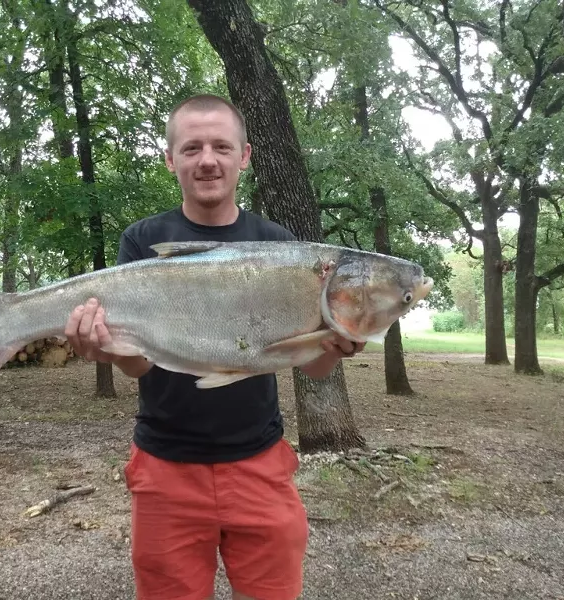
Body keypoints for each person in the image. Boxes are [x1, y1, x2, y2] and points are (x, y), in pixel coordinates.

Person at [64, 94, 364, 600]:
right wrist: (104, 348)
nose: (208, 159)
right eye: (192, 147)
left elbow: (310, 369)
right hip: (165, 470)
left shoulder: (282, 248)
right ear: (170, 158)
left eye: (222, 146)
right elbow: (138, 367)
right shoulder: (142, 240)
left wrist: (335, 345)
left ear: (244, 156)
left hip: (261, 465)